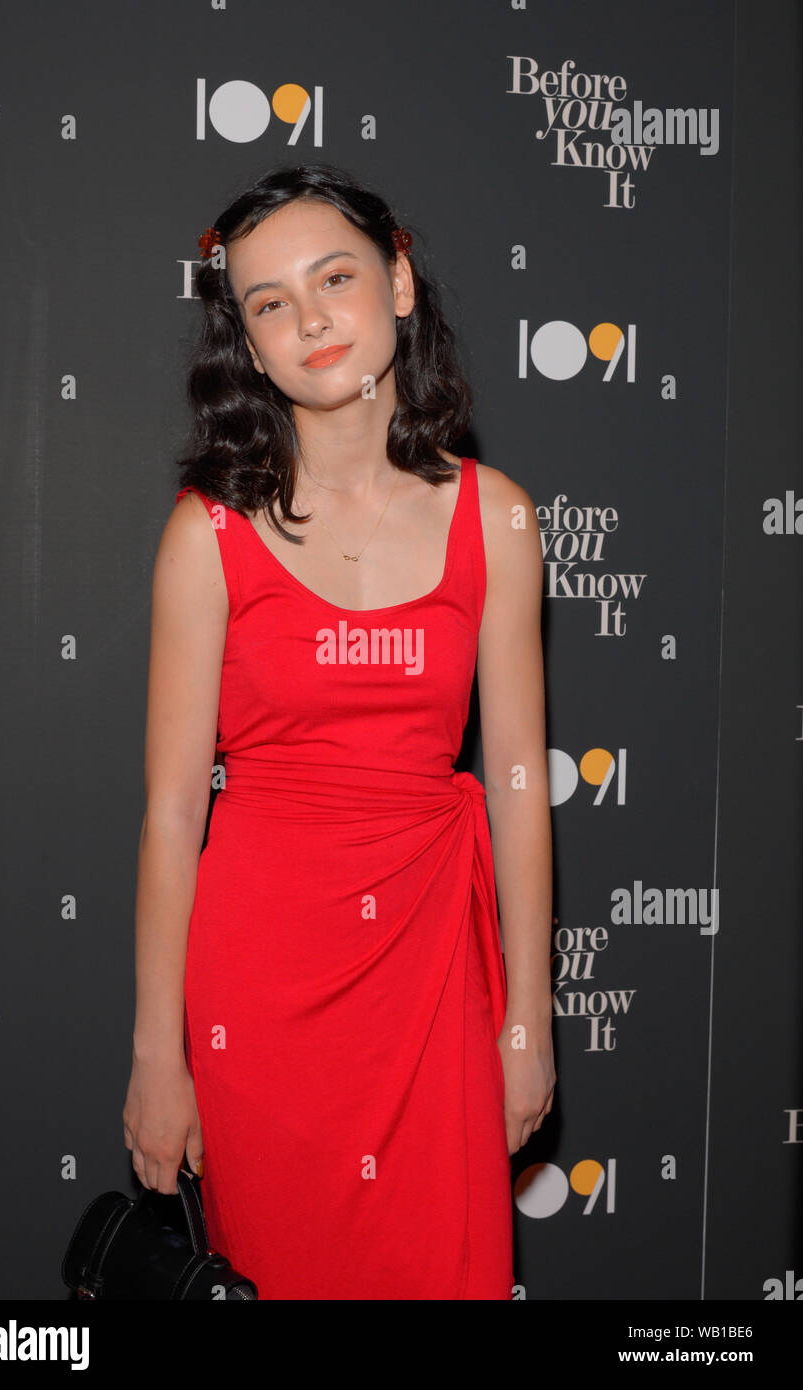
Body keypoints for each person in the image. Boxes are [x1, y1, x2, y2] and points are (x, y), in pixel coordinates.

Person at [122, 162, 555, 1300]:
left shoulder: (497, 516)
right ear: (248, 346)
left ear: (399, 284)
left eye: (334, 278)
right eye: (268, 302)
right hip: (258, 984)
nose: (308, 318)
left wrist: (527, 1018)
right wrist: (156, 1054)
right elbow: (173, 809)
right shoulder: (206, 534)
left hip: (429, 974)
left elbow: (515, 783)